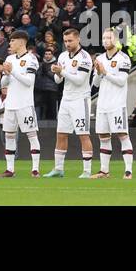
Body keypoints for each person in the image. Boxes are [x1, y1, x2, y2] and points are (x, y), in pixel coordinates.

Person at [46, 27, 94, 178]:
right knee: (61, 134)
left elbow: (80, 80)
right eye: (65, 41)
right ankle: (58, 169)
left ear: (78, 39)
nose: (67, 43)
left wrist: (62, 72)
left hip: (81, 100)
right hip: (66, 99)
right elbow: (57, 80)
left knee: (83, 135)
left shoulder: (85, 58)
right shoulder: (62, 56)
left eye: (70, 40)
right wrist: (57, 73)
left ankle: (87, 170)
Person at [91, 29, 134, 179]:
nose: (105, 40)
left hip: (117, 104)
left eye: (108, 37)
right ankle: (104, 170)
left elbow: (122, 81)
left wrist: (105, 72)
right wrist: (97, 71)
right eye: (103, 38)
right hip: (102, 104)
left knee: (122, 135)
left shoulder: (124, 58)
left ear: (116, 40)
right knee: (103, 137)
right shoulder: (100, 58)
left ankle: (128, 171)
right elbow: (95, 84)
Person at [0, 31, 42, 177]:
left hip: (25, 104)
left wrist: (13, 71)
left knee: (31, 135)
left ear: (21, 42)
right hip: (10, 104)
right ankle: (10, 169)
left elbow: (29, 82)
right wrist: (6, 73)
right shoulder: (10, 58)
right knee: (9, 136)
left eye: (12, 41)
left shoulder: (31, 59)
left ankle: (35, 169)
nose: (9, 44)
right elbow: (4, 83)